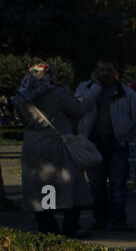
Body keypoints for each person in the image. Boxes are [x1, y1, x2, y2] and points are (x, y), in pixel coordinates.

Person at [14, 63, 92, 237]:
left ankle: (47, 228)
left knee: (41, 187)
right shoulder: (56, 93)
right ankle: (70, 227)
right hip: (56, 143)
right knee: (71, 184)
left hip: (32, 146)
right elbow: (78, 110)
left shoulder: (21, 96)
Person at [76, 59, 136, 231]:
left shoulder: (125, 92)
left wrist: (126, 136)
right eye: (101, 70)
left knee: (118, 184)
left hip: (117, 142)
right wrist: (96, 88)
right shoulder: (85, 88)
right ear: (95, 71)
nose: (104, 73)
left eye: (108, 70)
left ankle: (119, 220)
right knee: (96, 185)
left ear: (115, 71)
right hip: (93, 142)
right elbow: (79, 108)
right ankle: (100, 219)